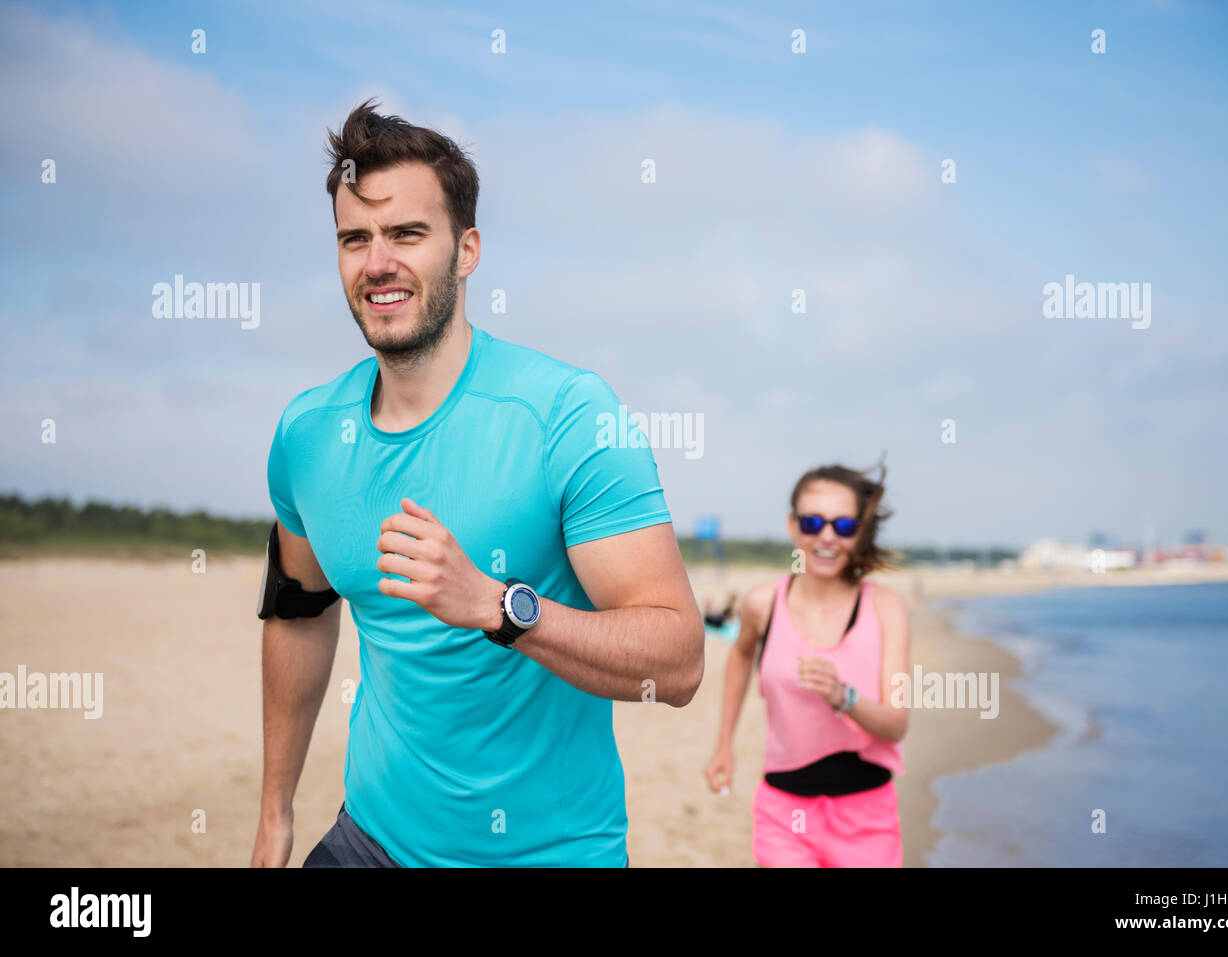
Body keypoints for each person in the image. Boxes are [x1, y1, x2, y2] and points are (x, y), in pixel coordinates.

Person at [250, 99, 704, 868]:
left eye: (406, 234)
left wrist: (499, 608)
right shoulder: (308, 434)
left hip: (549, 852)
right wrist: (275, 811)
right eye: (354, 238)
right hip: (371, 839)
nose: (377, 262)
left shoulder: (568, 415)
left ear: (466, 251)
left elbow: (680, 659)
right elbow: (298, 609)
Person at [704, 463, 910, 867]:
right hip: (784, 815)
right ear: (792, 525)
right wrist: (724, 745)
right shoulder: (763, 603)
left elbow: (897, 723)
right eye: (813, 522)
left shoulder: (886, 608)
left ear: (859, 531)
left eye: (843, 525)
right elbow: (741, 655)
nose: (827, 537)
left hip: (867, 818)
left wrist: (843, 697)